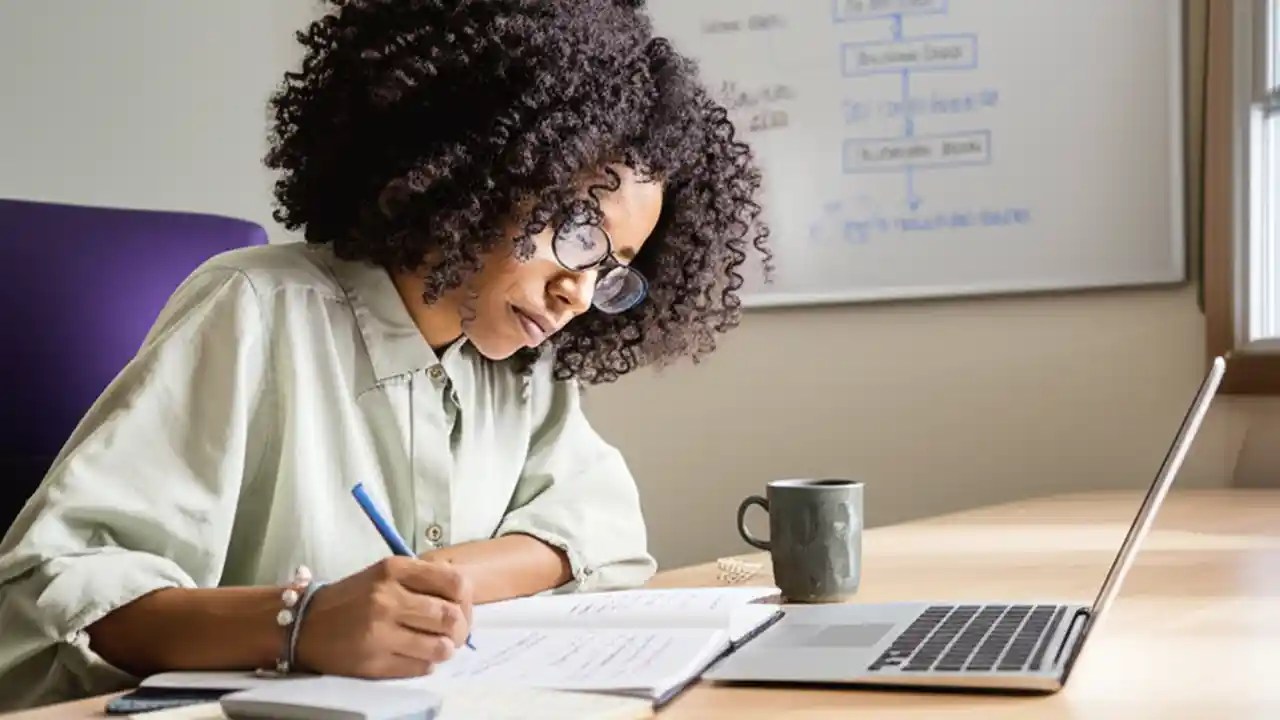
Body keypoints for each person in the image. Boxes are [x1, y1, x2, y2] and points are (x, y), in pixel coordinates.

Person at [0, 0, 771, 709]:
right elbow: (53, 597)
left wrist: (439, 588)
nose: (579, 289)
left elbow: (600, 536)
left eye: (613, 267)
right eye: (578, 232)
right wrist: (302, 622)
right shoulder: (256, 312)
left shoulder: (520, 365)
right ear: (481, 163)